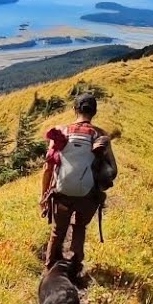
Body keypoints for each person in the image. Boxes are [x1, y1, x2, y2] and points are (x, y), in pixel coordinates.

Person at [40, 91, 115, 278]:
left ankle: (51, 271)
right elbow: (113, 169)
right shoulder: (100, 135)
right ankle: (74, 269)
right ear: (94, 112)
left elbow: (48, 168)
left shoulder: (61, 133)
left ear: (74, 109)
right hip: (87, 197)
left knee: (58, 231)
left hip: (61, 193)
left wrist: (43, 195)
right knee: (79, 227)